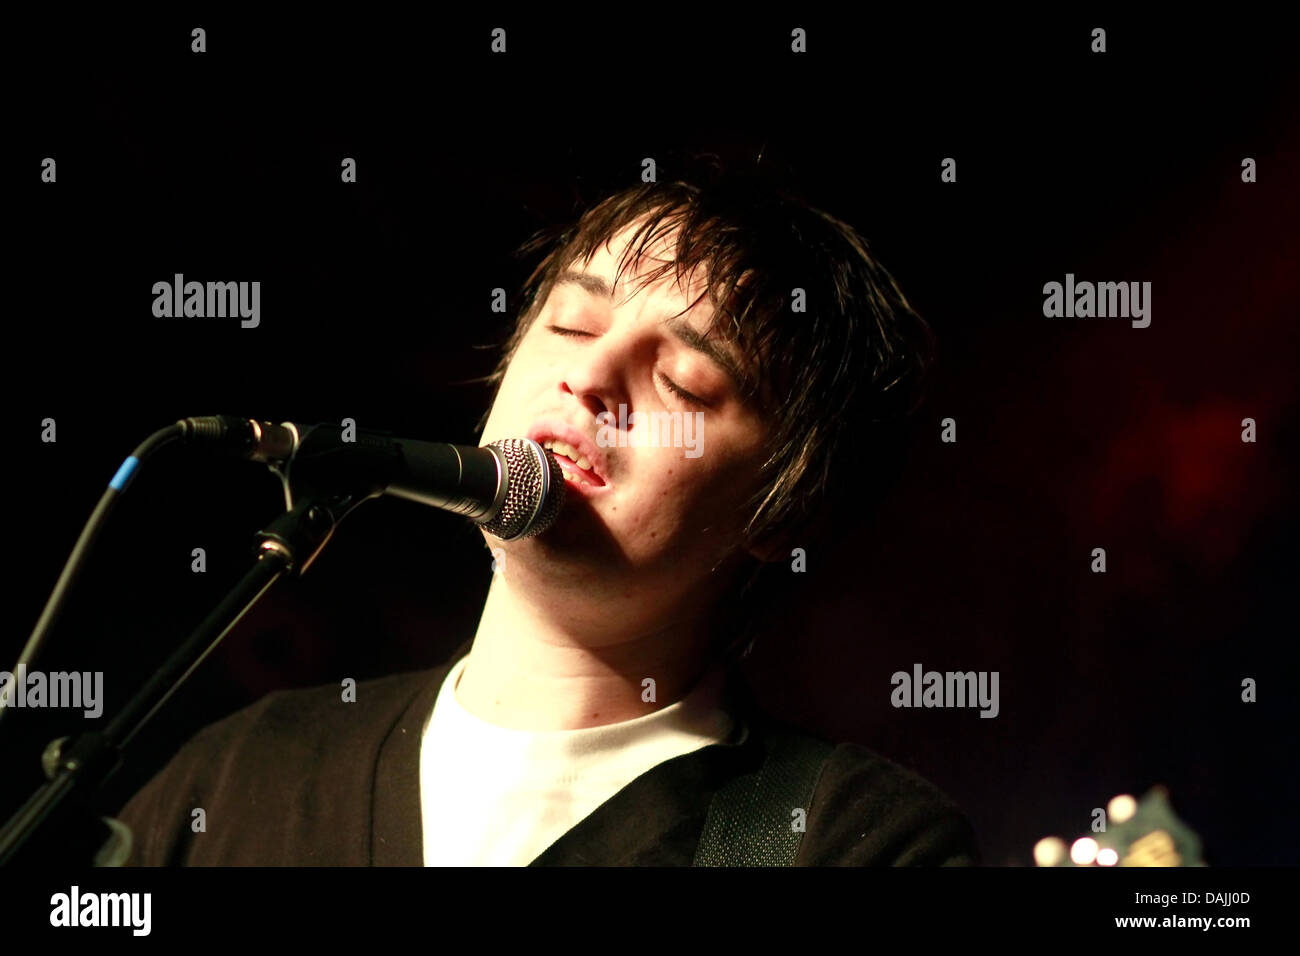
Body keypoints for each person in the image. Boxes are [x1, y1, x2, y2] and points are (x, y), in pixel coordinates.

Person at [113, 154, 979, 866]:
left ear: (780, 513)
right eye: (571, 326)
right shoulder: (242, 770)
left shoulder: (849, 841)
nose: (590, 376)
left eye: (681, 381)